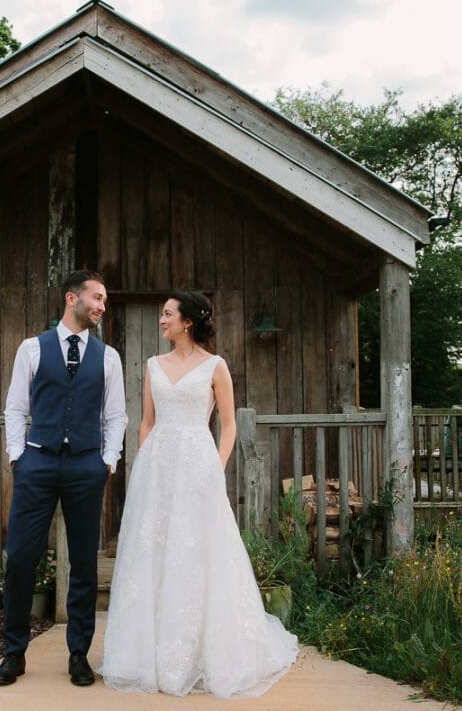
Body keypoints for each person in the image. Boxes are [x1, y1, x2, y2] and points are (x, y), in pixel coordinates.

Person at [98, 291, 298, 698]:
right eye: (161, 314)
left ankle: (199, 653)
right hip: (157, 469)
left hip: (198, 467)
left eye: (167, 314)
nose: (161, 320)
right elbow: (147, 422)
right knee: (153, 554)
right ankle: (147, 655)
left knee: (199, 554)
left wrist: (214, 470)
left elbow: (228, 427)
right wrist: (142, 465)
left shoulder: (215, 366)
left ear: (187, 321)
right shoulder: (153, 365)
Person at [0, 269, 128, 687]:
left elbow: (116, 415)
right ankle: (13, 653)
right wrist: (18, 456)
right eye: (97, 298)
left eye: (104, 300)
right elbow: (16, 408)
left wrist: (107, 461)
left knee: (85, 564)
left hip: (85, 467)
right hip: (36, 464)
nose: (102, 306)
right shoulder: (31, 349)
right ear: (73, 299)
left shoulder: (108, 357)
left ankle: (78, 655)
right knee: (19, 559)